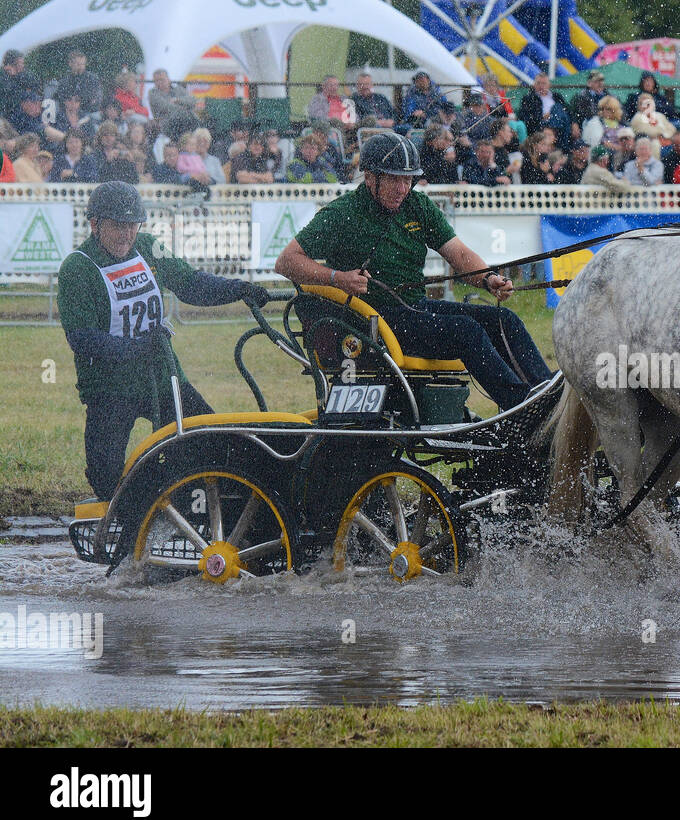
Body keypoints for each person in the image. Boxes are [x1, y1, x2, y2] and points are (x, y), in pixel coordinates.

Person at [275, 133, 552, 411]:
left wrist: (488, 278)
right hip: (371, 322)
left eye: (408, 180)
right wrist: (337, 278)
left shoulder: (418, 206)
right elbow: (286, 261)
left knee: (505, 320)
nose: (402, 188)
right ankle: (522, 409)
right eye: (394, 179)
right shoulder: (342, 214)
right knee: (465, 331)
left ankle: (548, 396)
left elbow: (459, 254)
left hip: (413, 310)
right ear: (370, 177)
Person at [57, 181, 269, 500]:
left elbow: (190, 284)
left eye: (132, 225)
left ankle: (211, 507)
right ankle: (137, 523)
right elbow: (82, 338)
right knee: (106, 476)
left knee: (210, 441)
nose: (127, 235)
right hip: (110, 388)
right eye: (118, 226)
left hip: (161, 376)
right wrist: (132, 349)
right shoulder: (77, 267)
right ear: (94, 224)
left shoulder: (148, 246)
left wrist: (238, 289)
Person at [518, 73, 573, 149]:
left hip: (558, 123)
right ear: (534, 85)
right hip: (540, 125)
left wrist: (574, 123)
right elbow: (525, 117)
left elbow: (567, 111)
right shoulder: (529, 99)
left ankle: (556, 132)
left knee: (557, 108)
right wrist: (542, 117)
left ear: (549, 85)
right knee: (556, 110)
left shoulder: (557, 96)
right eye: (538, 83)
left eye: (544, 83)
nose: (541, 86)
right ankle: (563, 145)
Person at [56, 50, 103, 116]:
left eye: (83, 64)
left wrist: (80, 103)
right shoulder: (64, 81)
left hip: (90, 114)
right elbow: (62, 101)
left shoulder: (93, 79)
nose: (81, 67)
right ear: (70, 63)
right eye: (78, 64)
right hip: (68, 115)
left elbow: (97, 100)